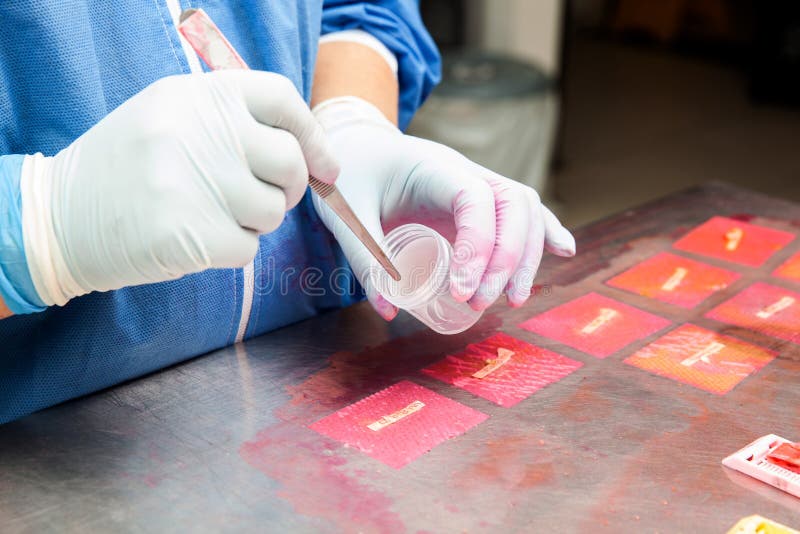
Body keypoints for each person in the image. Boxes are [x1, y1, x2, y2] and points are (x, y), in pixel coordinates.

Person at [0, 1, 575, 424]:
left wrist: (352, 119)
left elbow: (352, 11)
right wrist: (41, 230)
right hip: (61, 448)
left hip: (320, 381)